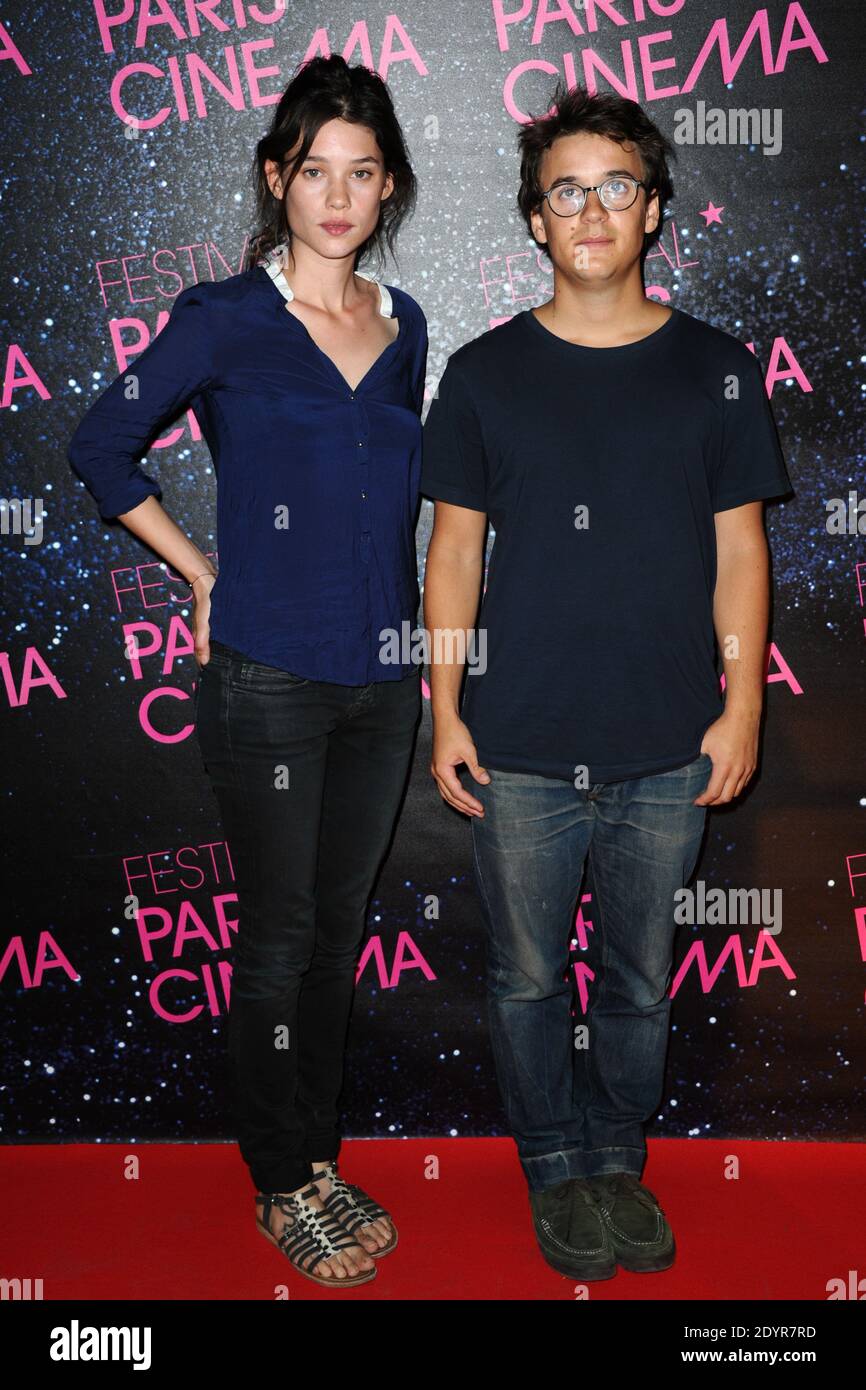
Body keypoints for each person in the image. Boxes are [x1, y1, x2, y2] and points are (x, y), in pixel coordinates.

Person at [420, 82, 793, 1282]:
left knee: (636, 981)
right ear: (534, 220)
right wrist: (442, 706)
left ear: (652, 210)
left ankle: (614, 1159)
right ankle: (550, 1167)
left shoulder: (716, 371)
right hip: (520, 741)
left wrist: (739, 704)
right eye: (563, 190)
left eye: (614, 186)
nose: (589, 210)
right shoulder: (481, 376)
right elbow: (453, 550)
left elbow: (742, 549)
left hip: (670, 741)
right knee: (529, 978)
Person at [68, 54, 428, 1289]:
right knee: (278, 940)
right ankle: (283, 1177)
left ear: (388, 189)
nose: (338, 195)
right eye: (314, 170)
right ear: (277, 180)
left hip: (385, 684)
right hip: (269, 675)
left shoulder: (404, 324)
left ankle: (315, 1158)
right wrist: (196, 569)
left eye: (362, 172)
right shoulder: (222, 317)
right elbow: (101, 442)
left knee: (337, 935)